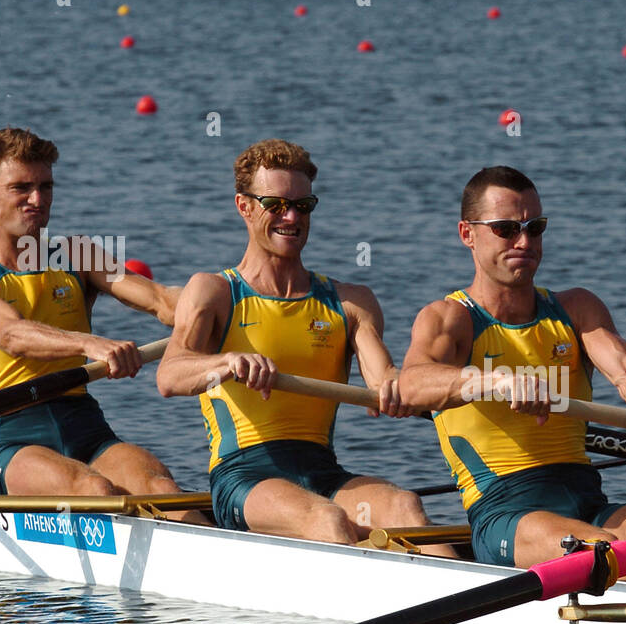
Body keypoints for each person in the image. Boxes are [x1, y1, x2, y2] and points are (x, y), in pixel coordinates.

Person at [399, 165, 626, 587]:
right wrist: (497, 381)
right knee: (606, 552)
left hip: (589, 500)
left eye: (534, 227)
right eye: (506, 229)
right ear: (467, 233)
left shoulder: (575, 309)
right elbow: (411, 385)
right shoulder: (451, 318)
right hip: (507, 514)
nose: (524, 242)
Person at [156, 139, 440, 546]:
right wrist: (227, 361)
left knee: (404, 508)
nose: (291, 217)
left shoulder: (350, 301)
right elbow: (169, 376)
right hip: (245, 479)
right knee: (328, 521)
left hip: (324, 473)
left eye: (303, 206)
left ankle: (473, 602)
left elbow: (382, 380)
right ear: (244, 206)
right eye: (276, 205)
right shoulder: (214, 292)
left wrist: (398, 389)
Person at [0, 126, 202, 519]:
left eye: (46, 186)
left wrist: (224, 303)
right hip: (9, 438)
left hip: (85, 426)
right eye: (21, 188)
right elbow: (12, 335)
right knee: (93, 490)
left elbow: (162, 301)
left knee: (162, 491)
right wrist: (89, 344)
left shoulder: (78, 255)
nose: (37, 200)